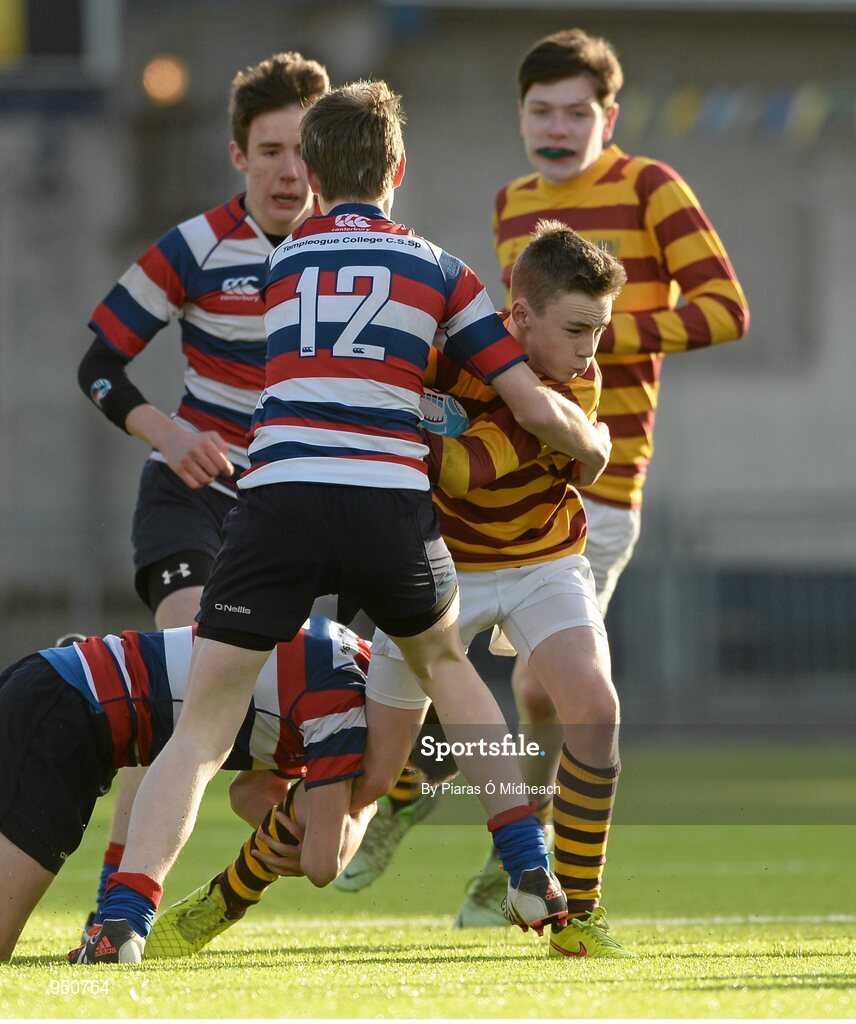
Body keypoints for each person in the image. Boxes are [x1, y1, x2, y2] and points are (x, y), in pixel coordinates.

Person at [76, 81, 613, 964]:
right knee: (450, 668)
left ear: (314, 178)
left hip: (276, 500)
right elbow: (529, 401)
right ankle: (527, 868)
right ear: (400, 168)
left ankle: (122, 919)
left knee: (205, 718)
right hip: (387, 504)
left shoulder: (275, 260)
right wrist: (589, 447)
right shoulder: (443, 271)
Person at [473, 26, 750, 907]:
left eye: (575, 112)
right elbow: (519, 340)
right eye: (540, 110)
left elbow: (725, 309)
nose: (557, 127)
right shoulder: (510, 203)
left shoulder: (650, 186)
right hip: (522, 479)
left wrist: (593, 334)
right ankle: (510, 850)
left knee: (535, 681)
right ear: (519, 116)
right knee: (495, 673)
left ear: (609, 115)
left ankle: (520, 860)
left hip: (608, 475)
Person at [73, 53, 331, 934]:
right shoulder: (193, 247)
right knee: (182, 672)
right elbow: (99, 364)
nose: (288, 168)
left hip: (295, 509)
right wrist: (171, 432)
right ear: (238, 156)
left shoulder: (352, 252)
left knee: (324, 695)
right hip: (191, 496)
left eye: (302, 148)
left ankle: (268, 790)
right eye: (269, 149)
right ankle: (116, 903)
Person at [0, 616, 378, 962]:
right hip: (67, 713)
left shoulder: (348, 658)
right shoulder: (344, 704)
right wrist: (370, 799)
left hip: (63, 701)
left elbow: (249, 793)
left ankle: (117, 925)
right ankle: (119, 924)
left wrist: (295, 832)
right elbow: (322, 864)